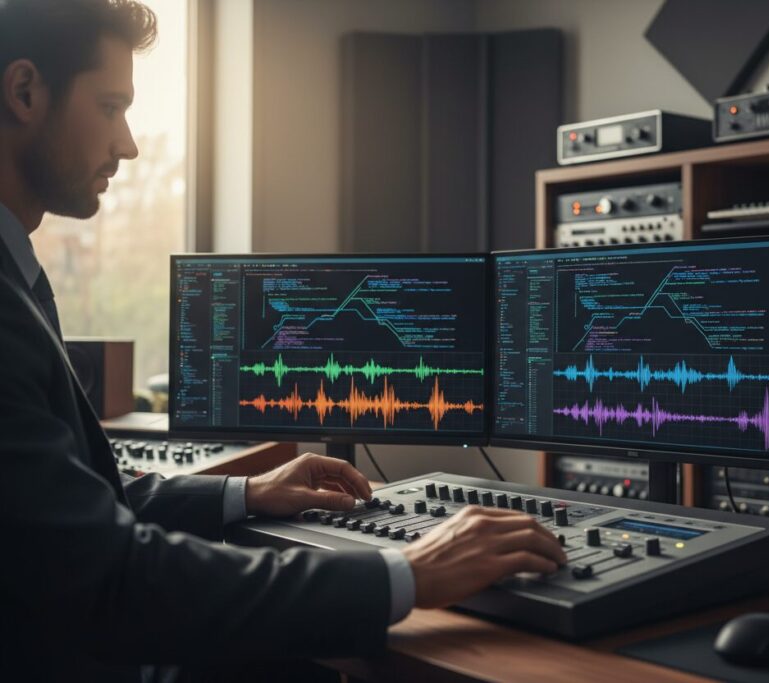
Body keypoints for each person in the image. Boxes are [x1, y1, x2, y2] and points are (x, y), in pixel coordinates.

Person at [0, 1, 566, 680]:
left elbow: (73, 512)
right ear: (26, 91)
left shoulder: (17, 278)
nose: (127, 144)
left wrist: (246, 491)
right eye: (111, 106)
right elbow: (116, 577)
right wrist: (407, 571)